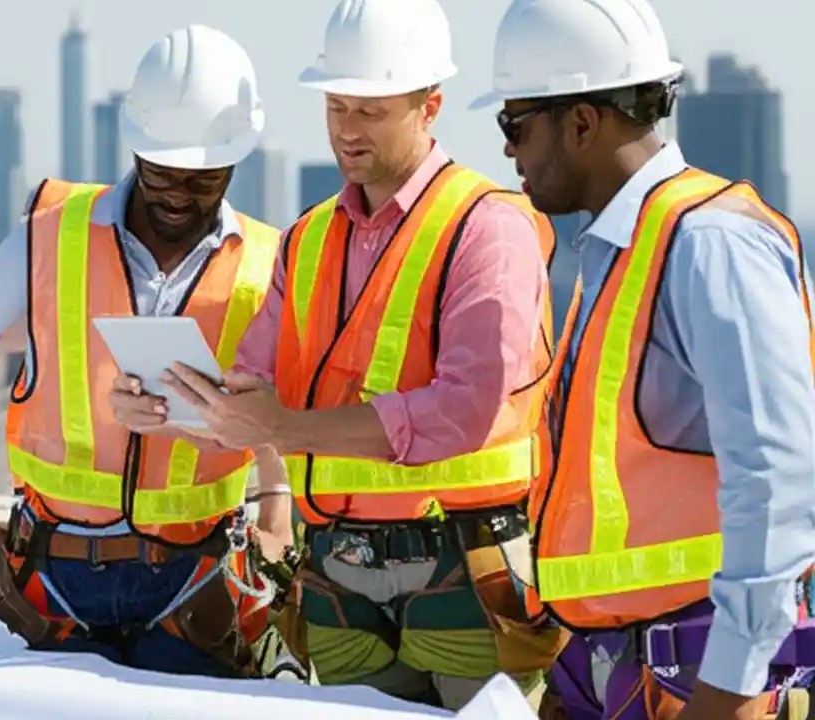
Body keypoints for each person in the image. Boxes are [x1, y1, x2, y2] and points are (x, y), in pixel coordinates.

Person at [155, 0, 568, 710]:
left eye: (371, 111)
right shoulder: (310, 237)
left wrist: (285, 431)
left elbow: (465, 411)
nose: (347, 129)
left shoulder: (489, 227)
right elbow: (253, 386)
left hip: (466, 570)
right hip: (339, 582)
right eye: (337, 105)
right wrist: (172, 409)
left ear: (430, 106)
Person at [0, 24, 297, 681]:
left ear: (235, 160)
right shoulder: (52, 234)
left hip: (197, 582)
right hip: (56, 582)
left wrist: (277, 510)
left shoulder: (268, 261)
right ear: (137, 148)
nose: (179, 193)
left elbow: (286, 402)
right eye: (163, 172)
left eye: (201, 179)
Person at [469, 1, 815, 718]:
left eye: (516, 124)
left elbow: (778, 481)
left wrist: (729, 687)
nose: (509, 151)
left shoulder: (710, 243)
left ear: (583, 123)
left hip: (698, 679)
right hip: (610, 669)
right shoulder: (617, 251)